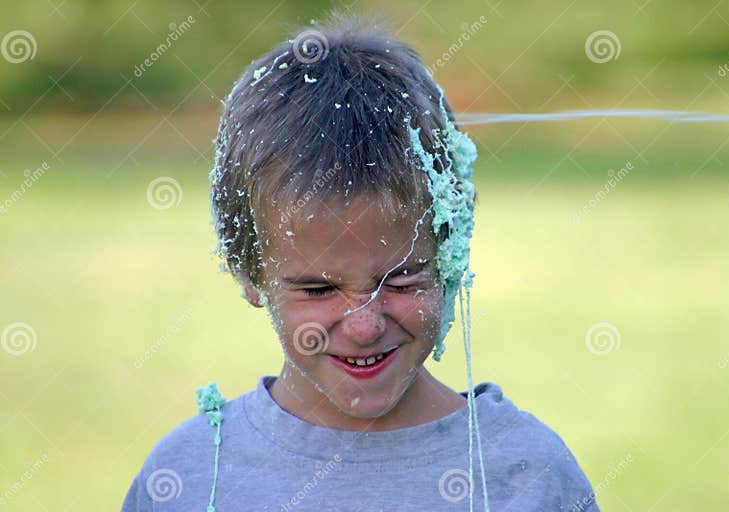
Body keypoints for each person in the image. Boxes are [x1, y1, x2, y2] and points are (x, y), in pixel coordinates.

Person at [120, 12, 600, 512]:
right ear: (249, 270)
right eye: (318, 289)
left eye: (402, 279)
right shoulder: (189, 476)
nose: (365, 325)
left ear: (450, 252)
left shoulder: (527, 476)